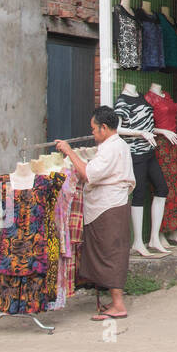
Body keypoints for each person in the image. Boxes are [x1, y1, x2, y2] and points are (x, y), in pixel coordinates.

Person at [56, 106, 135, 321]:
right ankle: (115, 301)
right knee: (107, 252)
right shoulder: (117, 146)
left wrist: (69, 151)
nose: (92, 133)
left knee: (110, 254)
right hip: (110, 205)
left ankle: (118, 305)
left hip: (109, 207)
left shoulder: (111, 148)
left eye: (94, 129)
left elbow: (88, 174)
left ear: (104, 128)